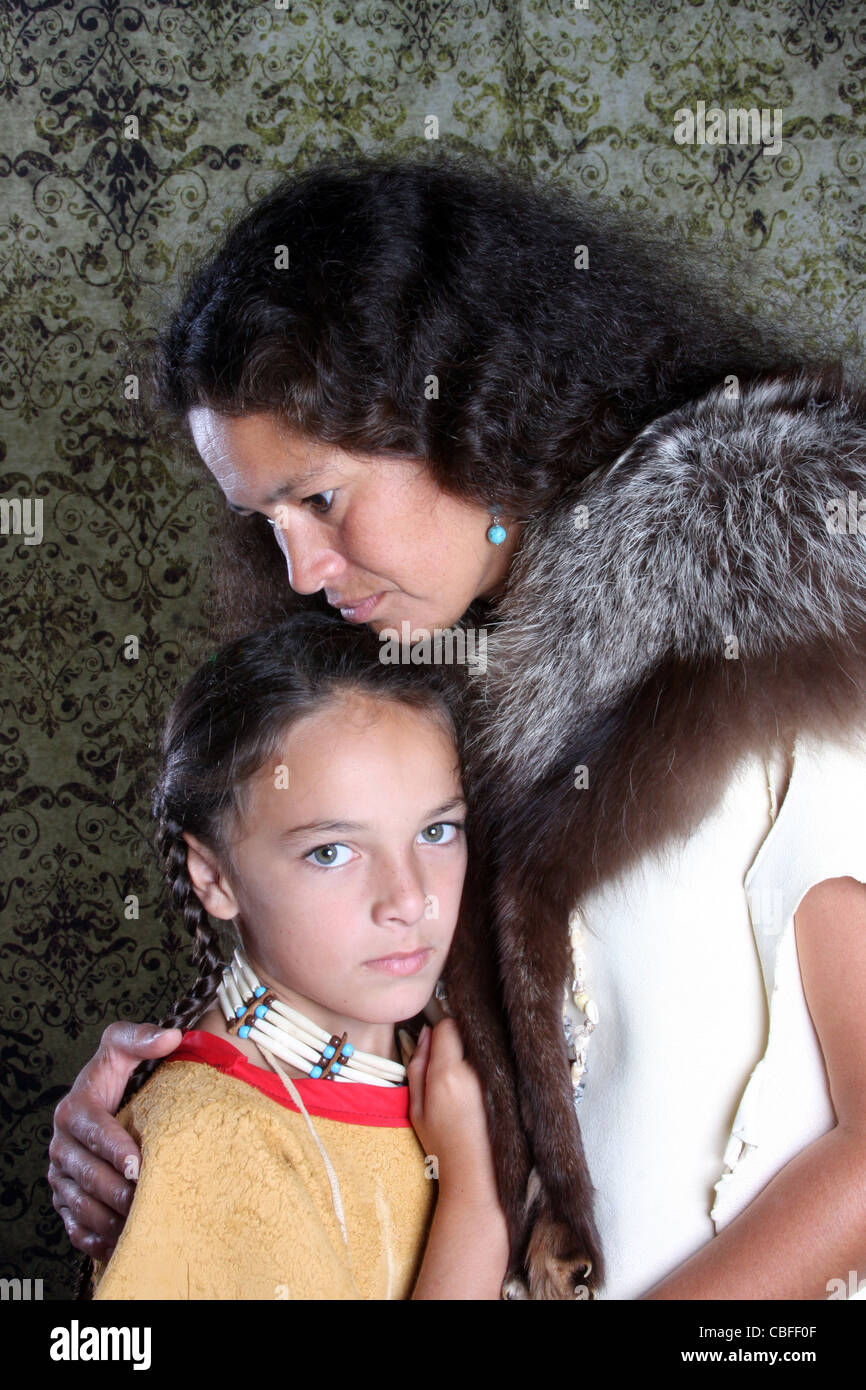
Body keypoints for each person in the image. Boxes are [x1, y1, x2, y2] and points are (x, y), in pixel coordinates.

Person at [49, 150, 866, 1299]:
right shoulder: (430, 682)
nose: (299, 567)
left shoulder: (787, 607)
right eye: (264, 517)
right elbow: (356, 987)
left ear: (470, 400)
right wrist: (162, 1111)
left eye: (320, 498)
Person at [86, 612, 509, 1299]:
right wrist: (477, 1204)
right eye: (331, 852)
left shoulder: (447, 1065)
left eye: (436, 831)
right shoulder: (212, 1142)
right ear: (213, 877)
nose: (408, 900)